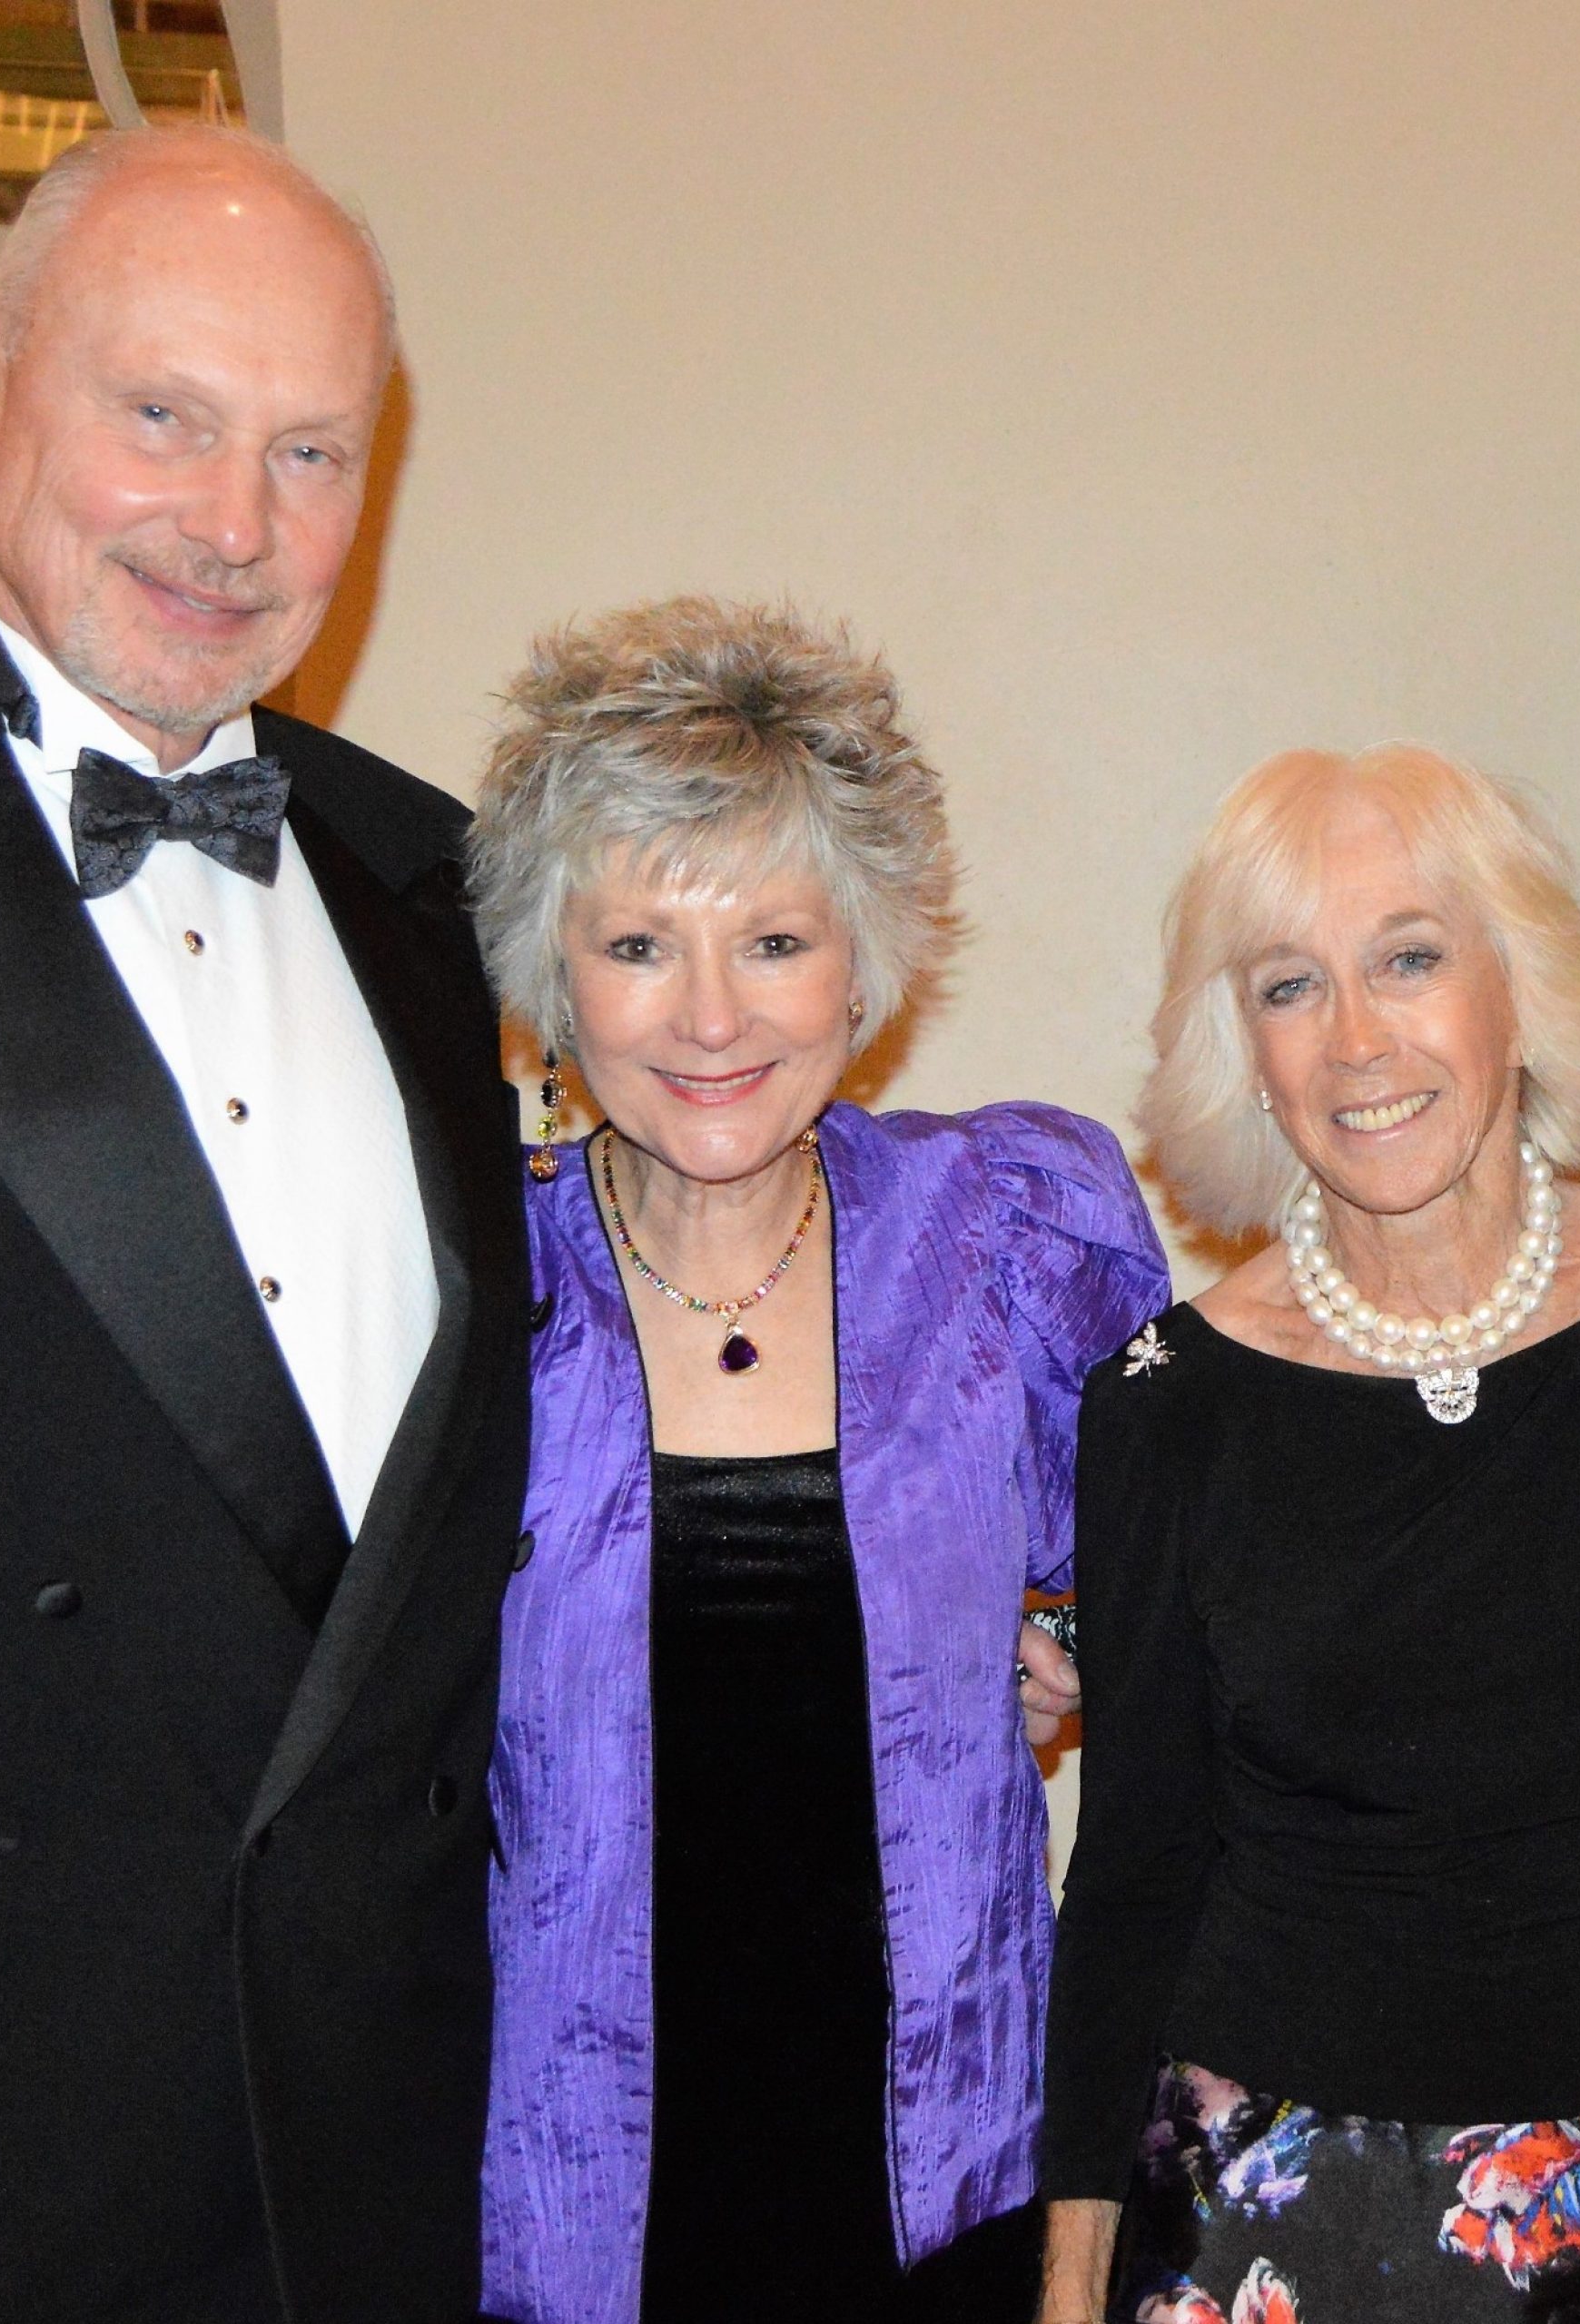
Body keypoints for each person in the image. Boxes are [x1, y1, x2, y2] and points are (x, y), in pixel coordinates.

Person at [0, 129, 528, 2323]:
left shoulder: (439, 886)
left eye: (309, 450)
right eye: (158, 414)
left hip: (393, 2157)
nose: (233, 524)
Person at [466, 595, 1168, 2323]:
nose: (710, 1016)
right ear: (553, 981)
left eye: (773, 941)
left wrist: (1060, 1642)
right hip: (563, 2186)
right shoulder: (468, 1279)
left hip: (949, 2173)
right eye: (638, 948)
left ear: (866, 958)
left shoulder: (1014, 1230)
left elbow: (1176, 1574)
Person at [1039, 744, 1580, 2324]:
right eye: (1292, 987)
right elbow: (1136, 1870)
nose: (1360, 1041)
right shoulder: (1166, 1404)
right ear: (1247, 1050)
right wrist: (1073, 2277)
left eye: (1413, 960)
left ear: (1522, 984)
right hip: (1270, 2213)